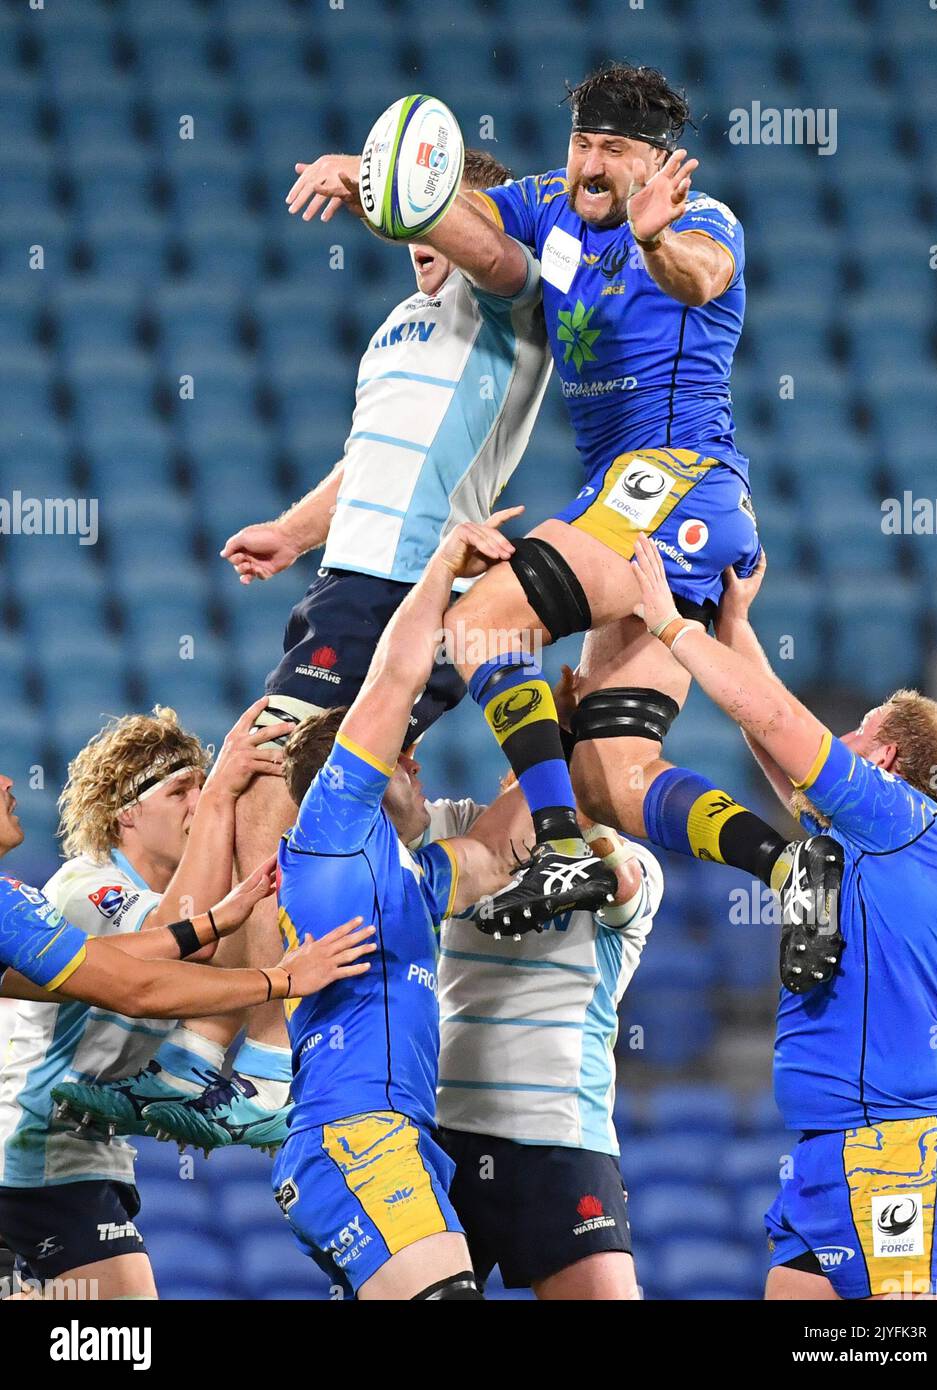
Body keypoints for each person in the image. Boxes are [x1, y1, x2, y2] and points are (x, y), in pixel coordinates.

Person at [289, 63, 842, 938]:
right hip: (645, 508)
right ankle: (791, 867)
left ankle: (557, 850)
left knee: (480, 625)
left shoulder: (701, 221)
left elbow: (698, 277)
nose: (589, 163)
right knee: (609, 776)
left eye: (613, 149)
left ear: (658, 164)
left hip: (672, 478)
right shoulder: (547, 203)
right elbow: (458, 224)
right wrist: (368, 183)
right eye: (582, 141)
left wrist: (653, 238)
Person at [131, 149, 551, 1149]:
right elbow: (366, 460)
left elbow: (484, 250)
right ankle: (209, 1060)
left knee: (279, 790)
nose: (417, 237)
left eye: (434, 210)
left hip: (415, 588)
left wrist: (381, 171)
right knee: (247, 779)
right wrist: (291, 530)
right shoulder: (393, 331)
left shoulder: (513, 301)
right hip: (344, 589)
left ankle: (260, 1070)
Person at [630, 533, 937, 1300]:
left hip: (890, 1145)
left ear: (883, 760)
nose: (838, 738)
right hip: (831, 1148)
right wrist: (735, 628)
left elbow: (779, 719)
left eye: (859, 728)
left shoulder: (896, 816)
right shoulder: (886, 838)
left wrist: (668, 624)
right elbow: (773, 734)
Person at [266, 508, 568, 1300]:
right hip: (355, 1137)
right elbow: (394, 679)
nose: (412, 760)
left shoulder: (404, 877)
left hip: (399, 1139)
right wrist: (443, 566)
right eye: (398, 755)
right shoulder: (330, 827)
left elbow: (502, 852)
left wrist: (568, 725)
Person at [0, 771, 375, 1298]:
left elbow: (93, 965)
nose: (7, 782)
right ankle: (240, 1071)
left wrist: (215, 923)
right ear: (126, 811)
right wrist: (281, 979)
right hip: (44, 1158)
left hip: (63, 1157)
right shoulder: (78, 886)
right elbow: (135, 988)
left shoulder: (11, 900)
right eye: (178, 790)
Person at [433, 779, 660, 1299]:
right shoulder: (457, 825)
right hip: (440, 1133)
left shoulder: (635, 862)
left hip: (559, 1138)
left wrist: (580, 819)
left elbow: (622, 885)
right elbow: (395, 815)